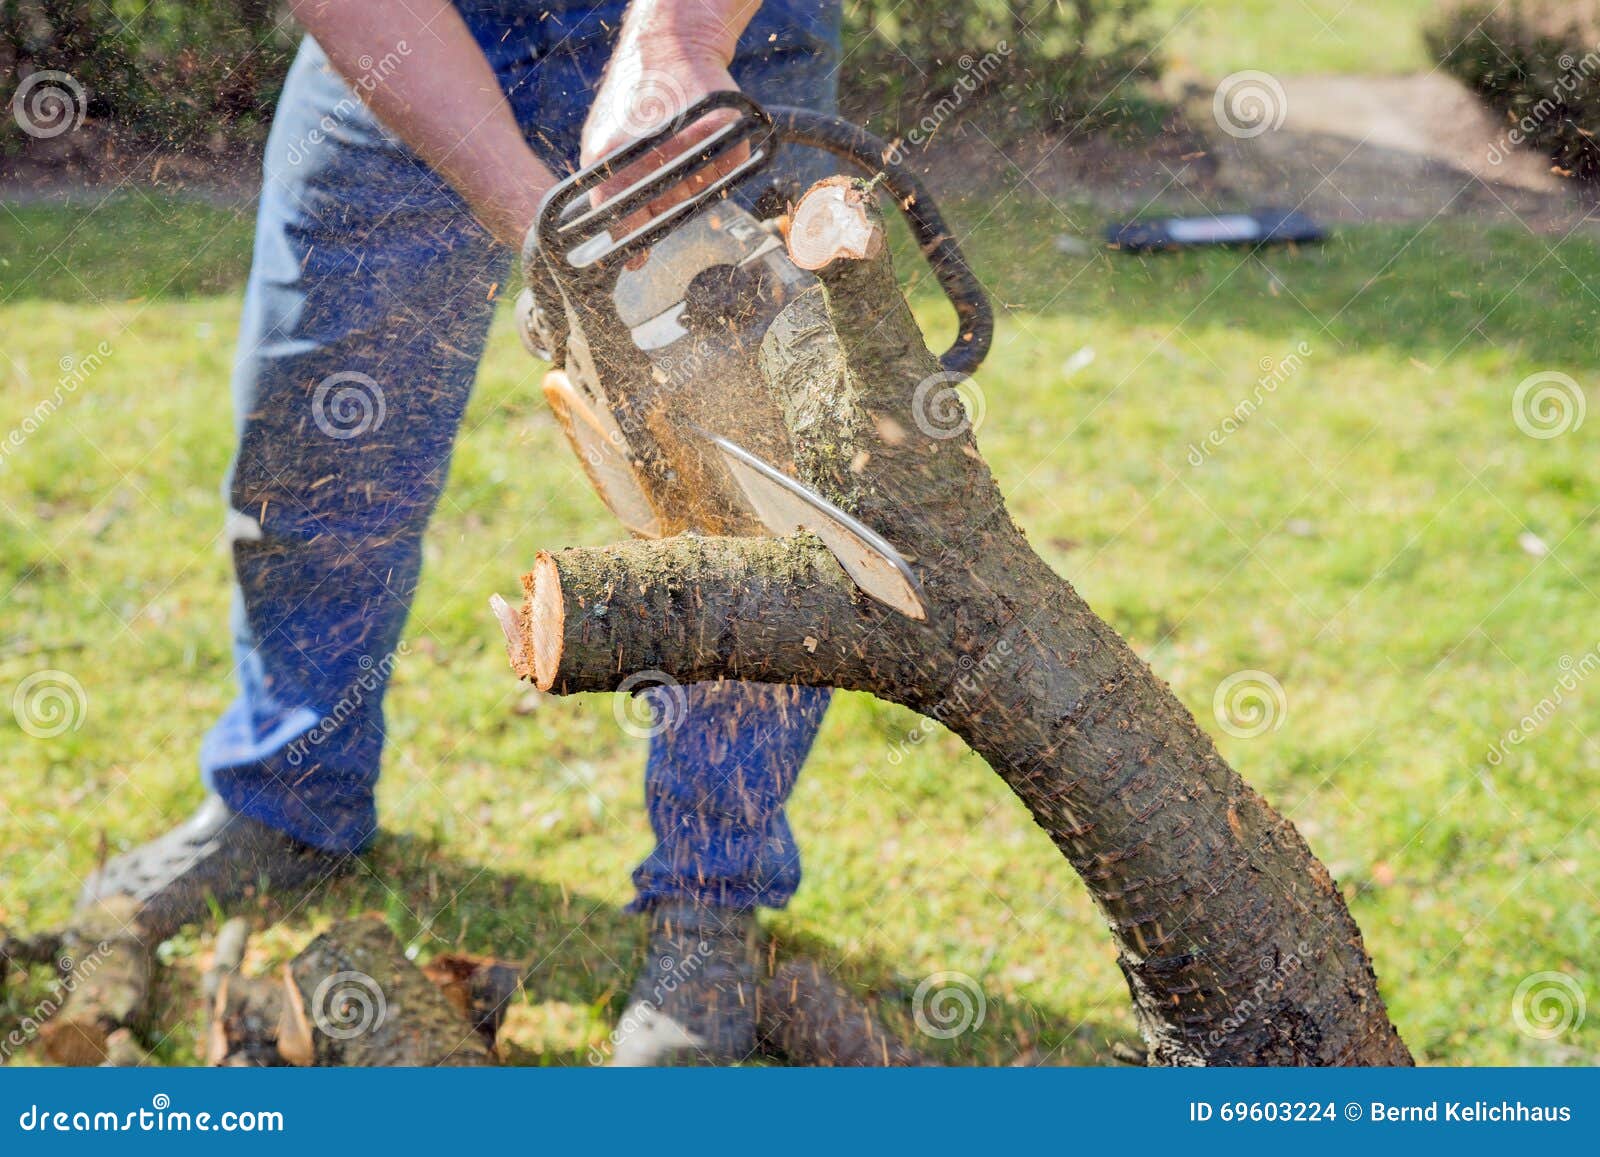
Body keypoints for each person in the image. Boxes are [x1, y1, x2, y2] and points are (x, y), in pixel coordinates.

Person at [77, 0, 843, 1065]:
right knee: (316, 448)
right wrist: (536, 220)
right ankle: (292, 794)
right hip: (413, 37)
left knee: (747, 482)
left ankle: (710, 894)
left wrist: (678, 43)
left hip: (715, 29)